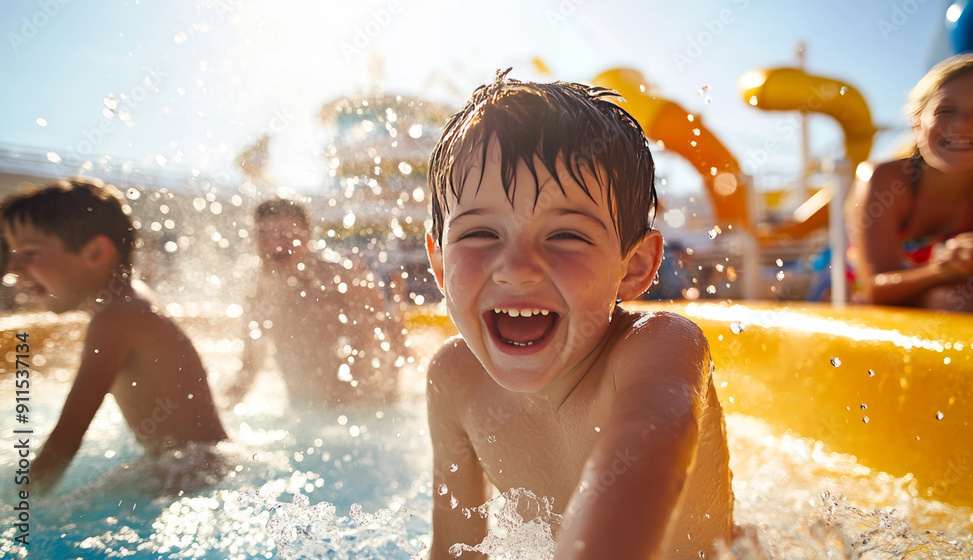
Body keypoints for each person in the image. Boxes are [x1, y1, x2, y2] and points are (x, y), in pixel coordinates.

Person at [423, 71, 733, 559]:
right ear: (440, 264)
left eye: (565, 235)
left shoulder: (659, 348)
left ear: (635, 266)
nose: (516, 270)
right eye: (480, 233)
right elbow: (455, 550)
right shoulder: (455, 378)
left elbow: (642, 463)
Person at [1, 178, 229, 495]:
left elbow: (64, 442)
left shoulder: (116, 318)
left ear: (96, 252)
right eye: (12, 252)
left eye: (29, 252)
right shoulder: (126, 302)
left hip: (189, 473)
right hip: (199, 466)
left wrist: (21, 505)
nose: (13, 268)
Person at [845, 53, 973, 312]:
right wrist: (944, 268)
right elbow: (872, 290)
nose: (963, 123)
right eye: (946, 109)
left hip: (945, 295)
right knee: (961, 301)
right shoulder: (886, 180)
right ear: (917, 125)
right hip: (856, 294)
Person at [229, 198, 404, 408]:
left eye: (285, 234)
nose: (275, 245)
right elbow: (247, 373)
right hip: (303, 417)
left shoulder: (342, 282)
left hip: (359, 412)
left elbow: (388, 348)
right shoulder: (258, 299)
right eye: (264, 235)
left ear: (308, 237)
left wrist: (378, 404)